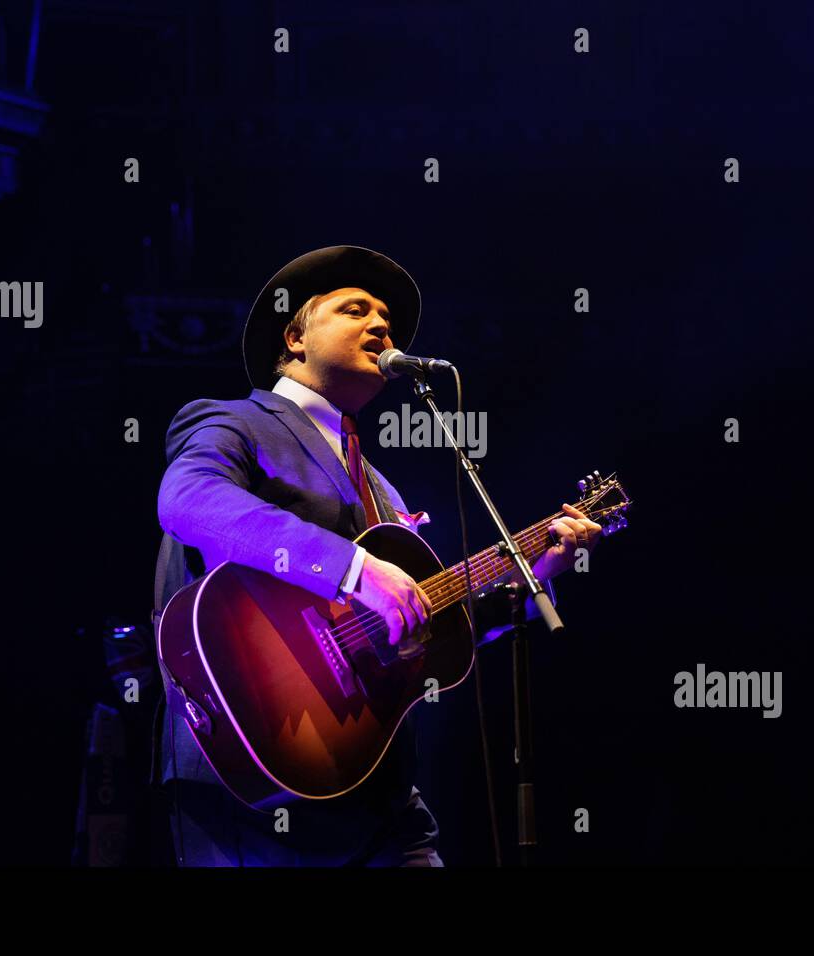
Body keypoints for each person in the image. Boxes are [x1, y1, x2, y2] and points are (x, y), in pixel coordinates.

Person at [154, 245, 601, 866]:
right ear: (295, 336)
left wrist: (531, 581)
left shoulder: (383, 489)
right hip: (259, 772)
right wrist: (354, 569)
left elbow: (420, 621)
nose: (381, 326)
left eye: (386, 318)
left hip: (380, 791)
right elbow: (189, 500)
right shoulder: (235, 422)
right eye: (355, 309)